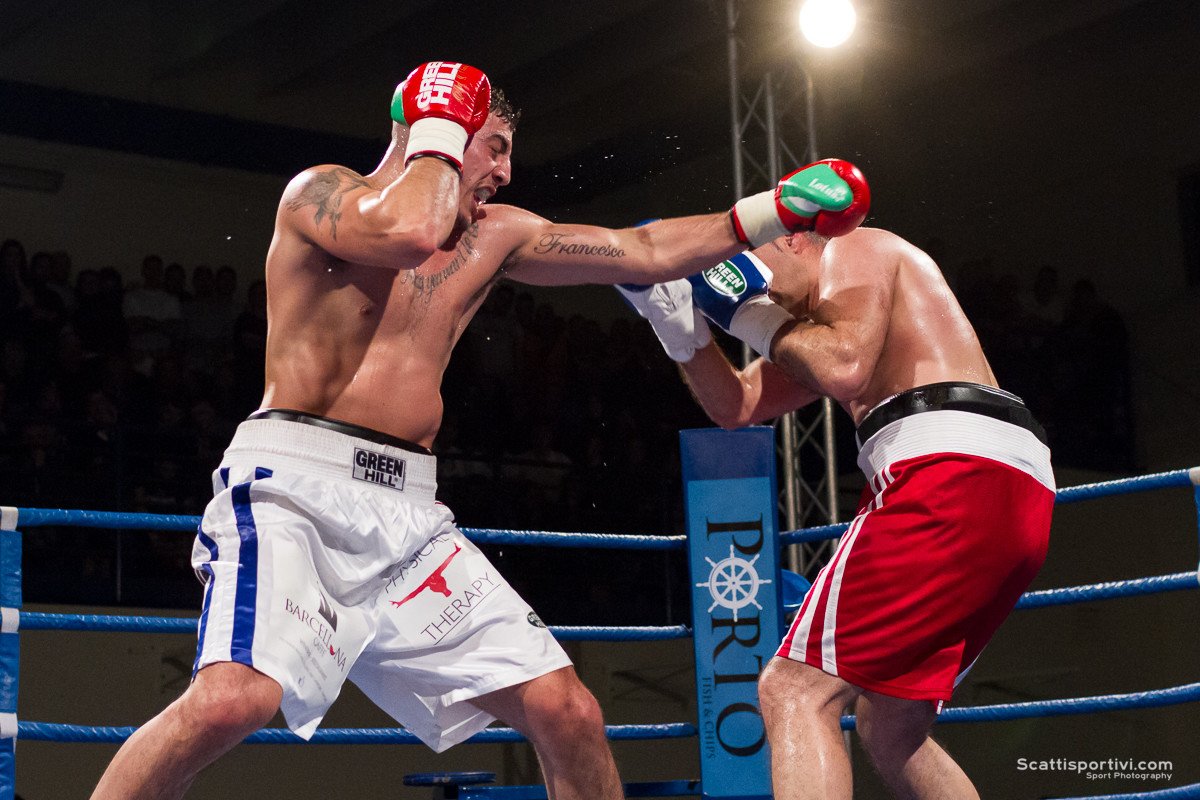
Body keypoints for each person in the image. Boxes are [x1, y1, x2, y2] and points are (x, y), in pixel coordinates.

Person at [90, 61, 868, 800]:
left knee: (569, 712)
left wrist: (774, 208)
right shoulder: (322, 195)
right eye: (491, 147)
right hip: (294, 489)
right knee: (233, 700)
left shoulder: (496, 233)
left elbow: (643, 250)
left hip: (411, 518)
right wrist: (436, 132)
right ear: (442, 131)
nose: (502, 172)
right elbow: (407, 234)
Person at [620, 227, 1054, 799]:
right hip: (1009, 491)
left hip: (947, 468)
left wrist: (748, 315)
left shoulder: (856, 245)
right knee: (893, 732)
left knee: (794, 690)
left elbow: (844, 368)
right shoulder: (825, 327)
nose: (763, 292)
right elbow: (739, 404)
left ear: (795, 238)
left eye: (756, 267)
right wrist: (685, 338)